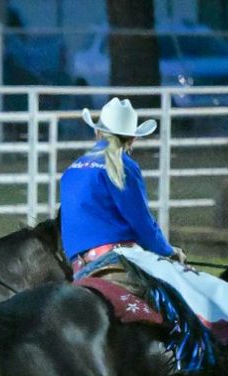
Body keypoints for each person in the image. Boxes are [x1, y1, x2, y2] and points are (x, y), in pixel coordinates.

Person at [57, 97, 181, 271]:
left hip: (78, 264)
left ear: (97, 133)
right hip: (118, 257)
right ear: (132, 139)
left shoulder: (72, 169)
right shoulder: (123, 166)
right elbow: (141, 221)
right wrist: (167, 251)